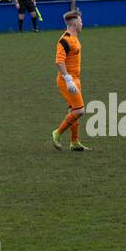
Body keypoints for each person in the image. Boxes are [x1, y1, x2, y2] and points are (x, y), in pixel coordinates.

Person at [51, 9, 89, 152]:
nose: (82, 23)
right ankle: (57, 133)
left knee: (73, 110)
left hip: (75, 79)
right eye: (80, 20)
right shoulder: (64, 40)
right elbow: (59, 62)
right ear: (74, 23)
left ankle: (74, 142)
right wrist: (68, 80)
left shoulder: (74, 37)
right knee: (79, 111)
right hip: (67, 81)